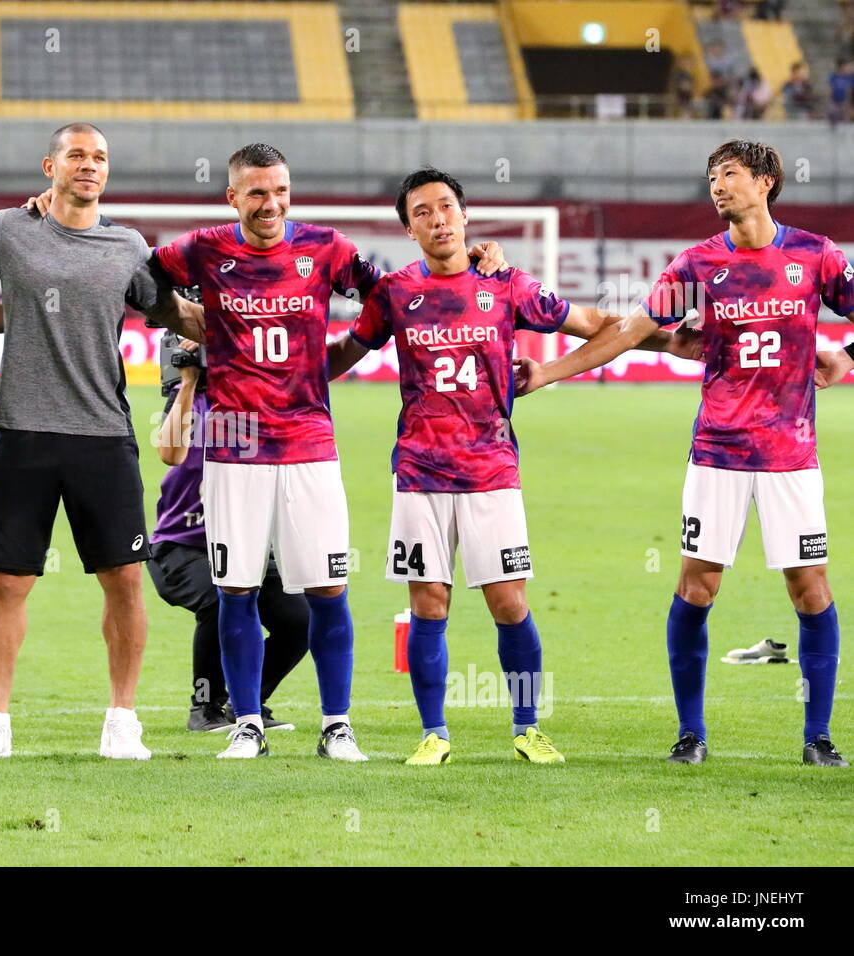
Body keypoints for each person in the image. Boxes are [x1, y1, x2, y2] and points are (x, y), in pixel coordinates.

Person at [151, 144, 508, 761]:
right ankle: (245, 726)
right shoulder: (201, 249)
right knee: (236, 590)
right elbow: (139, 279)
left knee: (327, 590)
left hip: (311, 444)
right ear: (233, 197)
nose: (272, 204)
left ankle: (336, 725)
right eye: (257, 192)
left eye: (281, 190)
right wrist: (190, 319)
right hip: (233, 452)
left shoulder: (326, 247)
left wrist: (466, 266)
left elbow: (394, 293)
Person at [327, 168, 694, 766]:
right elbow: (351, 349)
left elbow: (593, 323)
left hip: (492, 468)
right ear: (409, 228)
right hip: (419, 472)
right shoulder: (393, 292)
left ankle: (527, 728)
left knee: (509, 603)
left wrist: (663, 340)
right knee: (428, 605)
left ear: (465, 216)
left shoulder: (506, 284)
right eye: (423, 212)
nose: (438, 219)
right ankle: (434, 734)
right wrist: (295, 377)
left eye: (446, 207)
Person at [516, 140, 854, 767]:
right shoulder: (698, 265)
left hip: (791, 456)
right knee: (698, 587)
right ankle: (691, 734)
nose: (717, 186)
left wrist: (847, 356)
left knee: (810, 589)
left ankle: (819, 737)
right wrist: (550, 372)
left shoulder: (815, 254)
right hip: (717, 453)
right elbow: (628, 332)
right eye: (711, 177)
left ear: (766, 181)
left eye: (729, 174)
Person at [0, 123, 204, 761]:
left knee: (124, 582)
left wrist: (254, 314)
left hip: (103, 436)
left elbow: (174, 311)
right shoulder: (10, 230)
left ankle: (122, 720)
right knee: (9, 584)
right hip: (22, 432)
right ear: (50, 166)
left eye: (100, 158)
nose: (89, 166)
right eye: (77, 156)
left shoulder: (128, 245)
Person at [149, 335, 307, 732]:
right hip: (183, 547)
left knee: (301, 621)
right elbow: (169, 452)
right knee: (220, 601)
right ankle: (204, 705)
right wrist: (188, 384)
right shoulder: (190, 407)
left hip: (245, 544)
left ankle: (247, 702)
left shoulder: (252, 404)